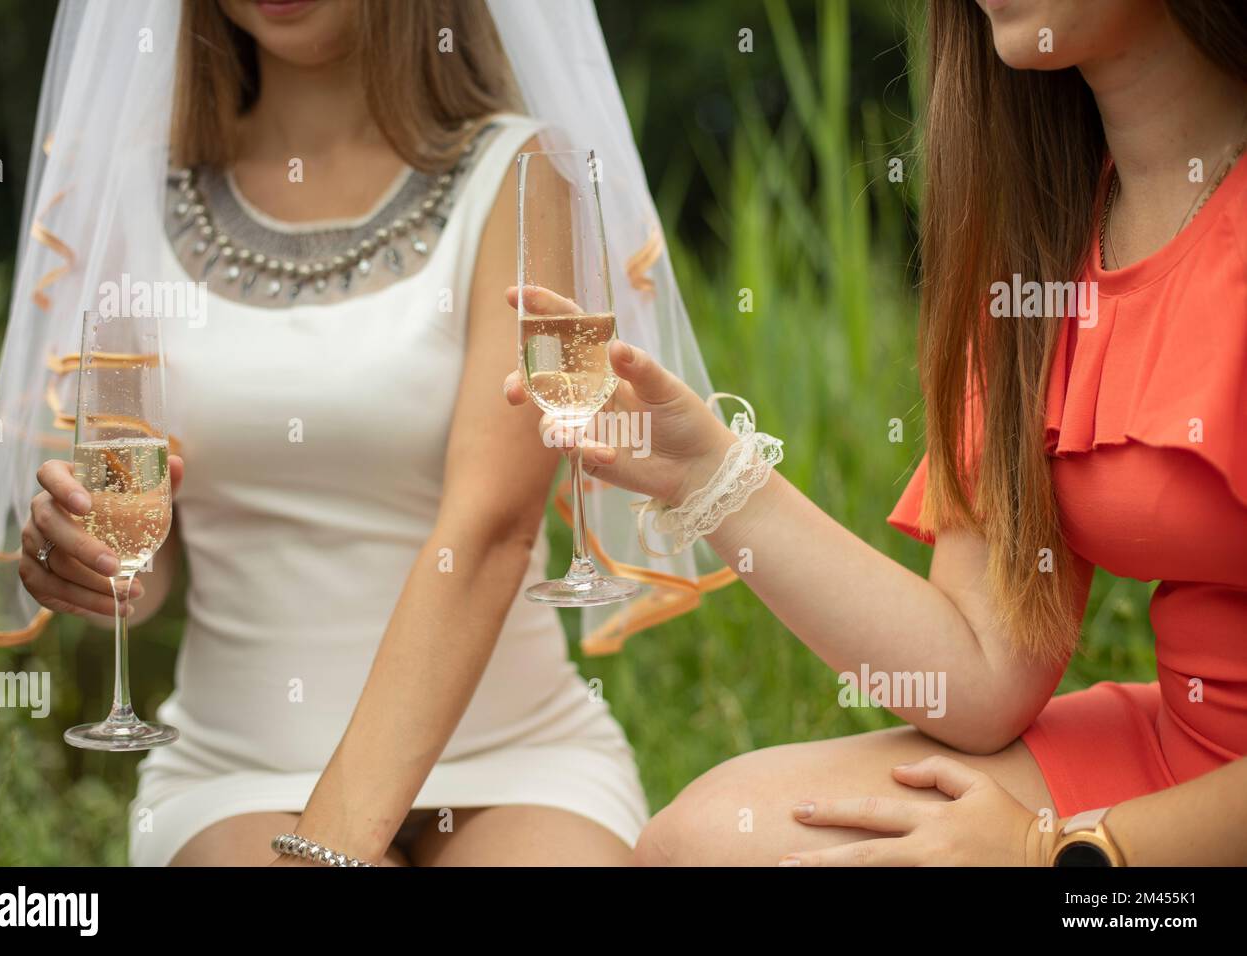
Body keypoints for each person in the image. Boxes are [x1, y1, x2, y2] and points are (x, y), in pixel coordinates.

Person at [506, 0, 1247, 865]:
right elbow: (979, 672)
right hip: (1184, 760)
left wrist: (1064, 857)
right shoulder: (1044, 240)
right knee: (707, 843)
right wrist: (708, 477)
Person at [6, 0, 654, 867]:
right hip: (238, 772)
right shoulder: (133, 197)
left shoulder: (528, 175)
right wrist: (92, 562)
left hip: (522, 761)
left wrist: (330, 850)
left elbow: (492, 529)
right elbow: (145, 556)